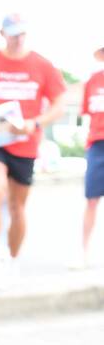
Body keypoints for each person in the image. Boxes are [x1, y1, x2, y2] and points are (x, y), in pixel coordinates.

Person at [0, 14, 67, 288]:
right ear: (3, 33)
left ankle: (12, 259)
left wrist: (35, 123)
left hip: (24, 143)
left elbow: (60, 104)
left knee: (17, 206)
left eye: (22, 32)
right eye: (13, 33)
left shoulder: (42, 65)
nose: (18, 37)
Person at [73, 45, 104, 269]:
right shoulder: (93, 81)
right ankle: (83, 252)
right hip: (96, 144)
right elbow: (82, 113)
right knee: (91, 199)